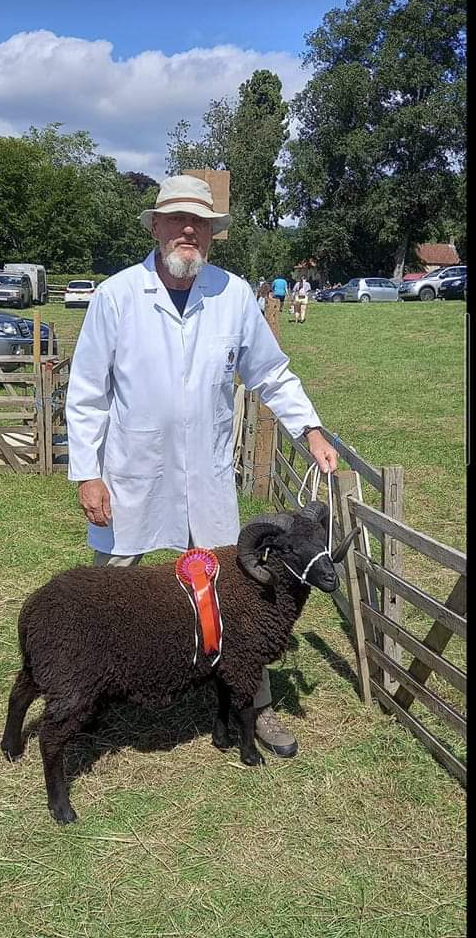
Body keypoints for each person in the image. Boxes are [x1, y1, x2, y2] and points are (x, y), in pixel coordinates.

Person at [65, 174, 338, 759]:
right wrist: (88, 472)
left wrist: (309, 428)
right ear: (157, 226)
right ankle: (91, 696)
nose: (189, 231)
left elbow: (270, 372)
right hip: (130, 474)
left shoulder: (233, 295)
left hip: (208, 475)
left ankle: (253, 706)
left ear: (212, 235)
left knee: (245, 591)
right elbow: (87, 391)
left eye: (202, 224)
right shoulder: (116, 296)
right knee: (112, 585)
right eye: (178, 220)